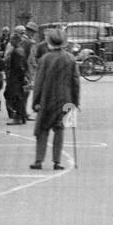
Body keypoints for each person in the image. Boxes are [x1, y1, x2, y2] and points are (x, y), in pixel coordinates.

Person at [29, 28, 80, 169]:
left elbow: (39, 82)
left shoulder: (45, 59)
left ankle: (39, 160)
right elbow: (75, 82)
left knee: (42, 129)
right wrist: (75, 102)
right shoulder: (70, 58)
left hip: (47, 98)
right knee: (59, 128)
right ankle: (57, 161)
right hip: (65, 99)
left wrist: (36, 102)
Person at [5, 28, 31, 124]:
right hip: (18, 77)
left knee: (15, 97)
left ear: (16, 40)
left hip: (15, 77)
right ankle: (22, 116)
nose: (10, 41)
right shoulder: (20, 50)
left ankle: (18, 117)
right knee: (18, 96)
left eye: (12, 39)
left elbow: (19, 67)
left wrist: (20, 77)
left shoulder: (16, 52)